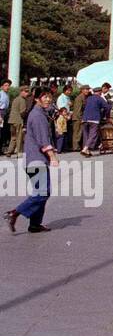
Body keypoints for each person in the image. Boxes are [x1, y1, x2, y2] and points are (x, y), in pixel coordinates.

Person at [5, 88, 58, 234]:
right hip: (36, 160)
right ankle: (14, 213)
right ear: (36, 99)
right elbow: (43, 140)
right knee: (42, 193)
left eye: (49, 97)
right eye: (44, 97)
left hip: (34, 159)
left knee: (40, 192)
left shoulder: (39, 113)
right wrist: (53, 157)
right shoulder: (37, 115)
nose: (48, 99)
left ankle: (35, 224)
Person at [80, 84, 111, 156]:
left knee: (86, 135)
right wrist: (106, 116)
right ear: (100, 92)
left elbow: (85, 106)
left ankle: (87, 151)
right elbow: (107, 107)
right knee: (93, 135)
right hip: (94, 119)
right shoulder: (99, 98)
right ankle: (85, 149)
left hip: (85, 119)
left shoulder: (88, 98)